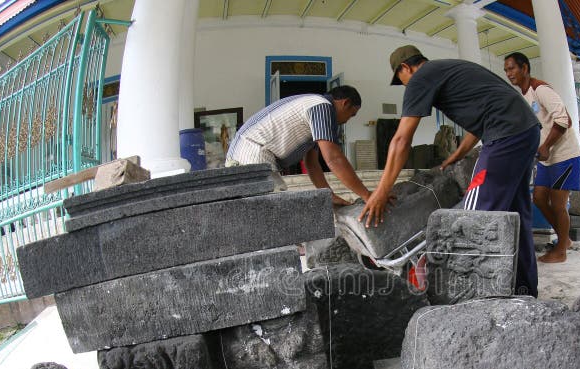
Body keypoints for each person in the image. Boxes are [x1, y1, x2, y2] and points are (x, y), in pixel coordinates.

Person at [360, 45, 540, 297]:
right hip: (525, 131)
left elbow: (401, 140)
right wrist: (457, 154)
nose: (403, 85)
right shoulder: (448, 69)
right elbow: (482, 116)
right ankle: (525, 292)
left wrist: (381, 191)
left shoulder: (420, 78)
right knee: (516, 216)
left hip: (505, 135)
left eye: (400, 79)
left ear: (405, 68)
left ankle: (467, 296)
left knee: (472, 219)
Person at [226, 85, 370, 205]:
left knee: (275, 209)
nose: (347, 120)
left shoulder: (317, 119)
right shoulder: (321, 106)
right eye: (351, 114)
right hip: (251, 153)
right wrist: (367, 195)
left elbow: (312, 164)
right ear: (345, 103)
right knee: (270, 212)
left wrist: (329, 195)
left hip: (254, 156)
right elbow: (333, 159)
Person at [504, 52, 580, 263]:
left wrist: (547, 145)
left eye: (512, 68)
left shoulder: (540, 89)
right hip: (547, 158)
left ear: (525, 68)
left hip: (564, 155)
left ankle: (561, 251)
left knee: (558, 204)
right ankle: (564, 240)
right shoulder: (525, 94)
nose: (508, 73)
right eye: (506, 70)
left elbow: (565, 119)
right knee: (538, 198)